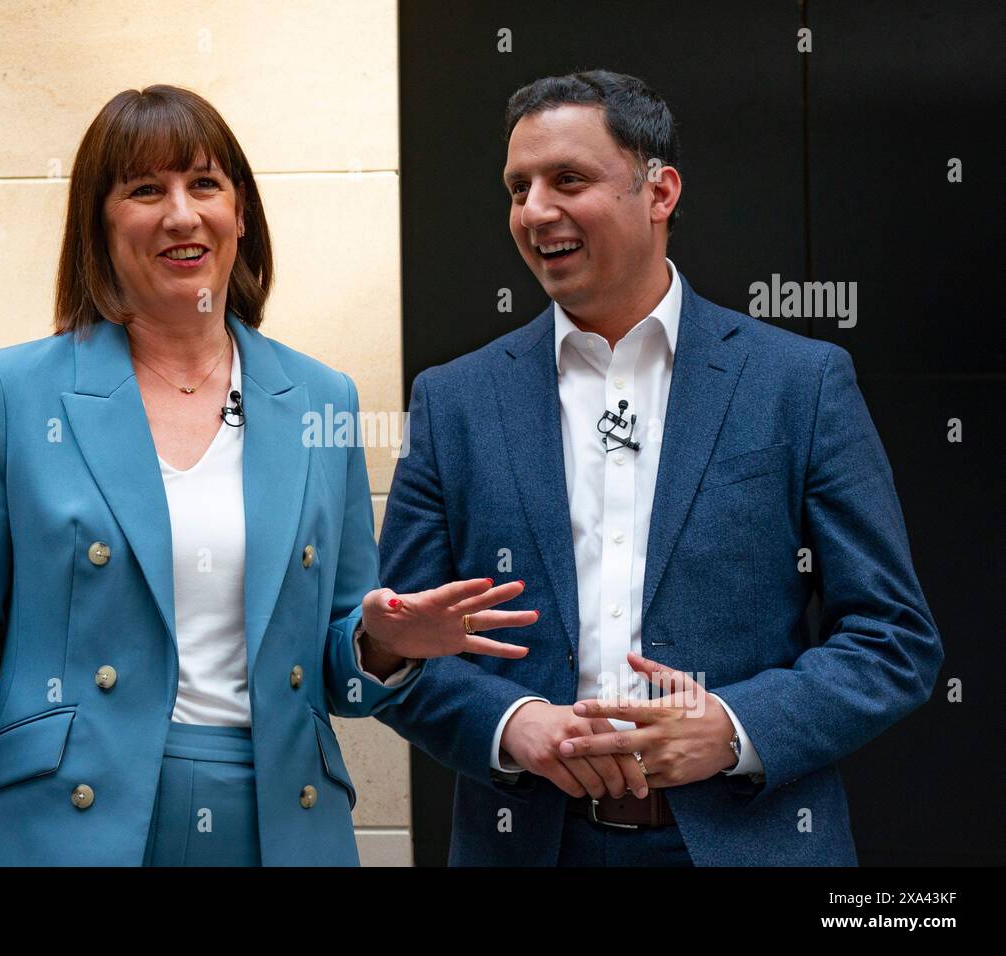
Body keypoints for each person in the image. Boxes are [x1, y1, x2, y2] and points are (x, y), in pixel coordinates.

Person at [0, 85, 535, 866]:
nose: (180, 214)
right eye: (144, 189)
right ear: (98, 223)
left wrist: (385, 642)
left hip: (277, 817)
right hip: (62, 821)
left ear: (241, 213)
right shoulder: (11, 390)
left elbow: (340, 665)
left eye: (204, 184)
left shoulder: (320, 397)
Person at [374, 69, 943, 866]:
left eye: (567, 179)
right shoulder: (454, 400)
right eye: (518, 187)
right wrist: (512, 724)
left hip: (750, 843)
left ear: (660, 191)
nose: (535, 211)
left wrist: (735, 730)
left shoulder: (798, 384)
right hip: (530, 846)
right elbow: (402, 651)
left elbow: (894, 639)